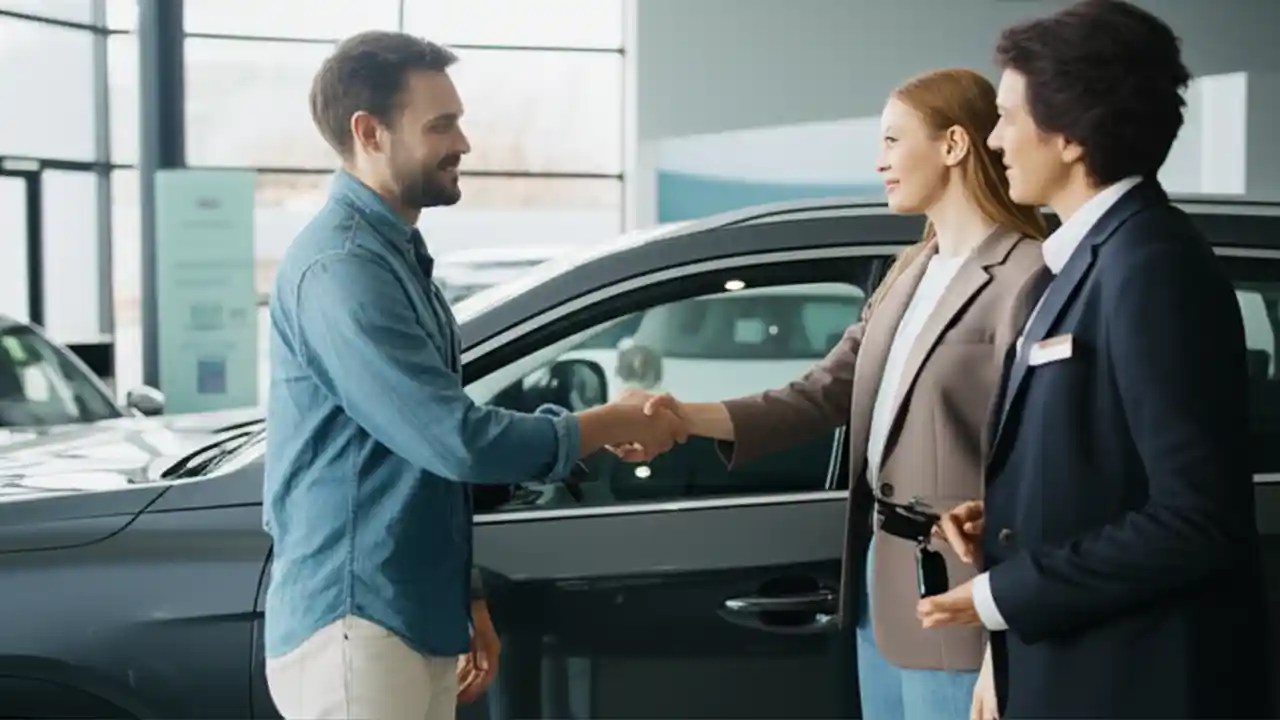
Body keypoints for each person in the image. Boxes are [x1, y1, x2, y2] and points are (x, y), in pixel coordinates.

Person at [261, 31, 685, 720]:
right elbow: (452, 437)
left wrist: (464, 592)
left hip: (403, 613)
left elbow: (415, 467)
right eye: (441, 125)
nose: (465, 143)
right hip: (356, 622)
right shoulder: (343, 269)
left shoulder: (394, 255)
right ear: (369, 132)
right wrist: (604, 424)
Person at [621, 68, 1047, 720]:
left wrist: (1010, 626)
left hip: (969, 591)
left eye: (893, 140)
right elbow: (824, 393)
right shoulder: (913, 270)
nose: (879, 162)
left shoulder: (1028, 272)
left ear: (955, 145)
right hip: (883, 579)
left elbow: (1044, 465)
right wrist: (684, 419)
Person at [917, 1, 1272, 717]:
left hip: (1129, 683)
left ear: (1072, 135)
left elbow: (1196, 519)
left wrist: (998, 595)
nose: (994, 138)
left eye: (1009, 117)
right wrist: (1016, 516)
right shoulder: (1088, 261)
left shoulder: (1152, 266)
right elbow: (1118, 464)